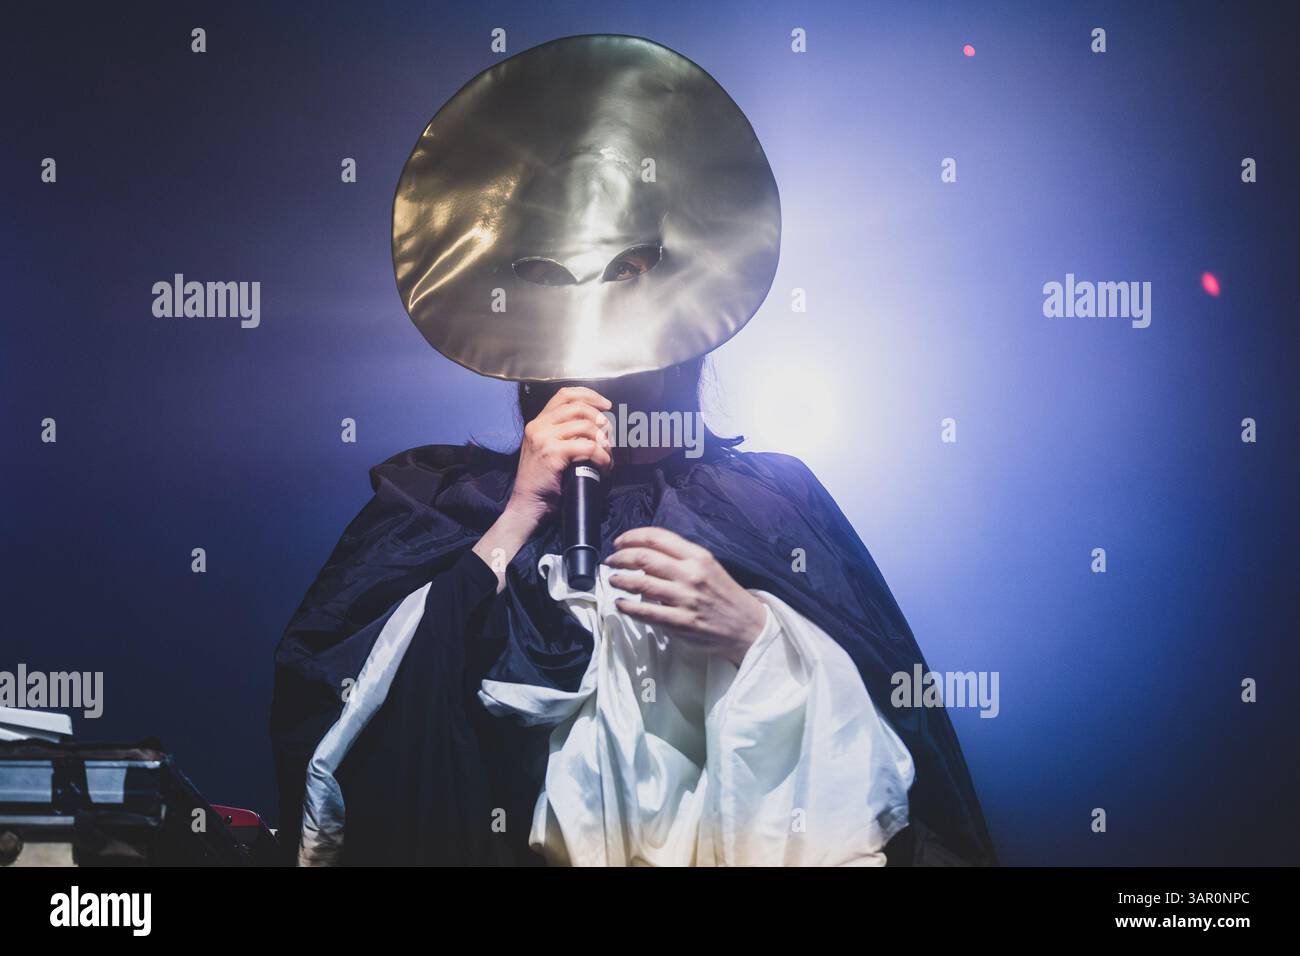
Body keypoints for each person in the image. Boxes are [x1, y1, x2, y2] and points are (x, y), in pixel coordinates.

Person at [270, 357, 997, 866]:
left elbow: (894, 748)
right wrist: (518, 515)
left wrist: (759, 636)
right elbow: (347, 721)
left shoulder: (771, 499)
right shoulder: (442, 498)